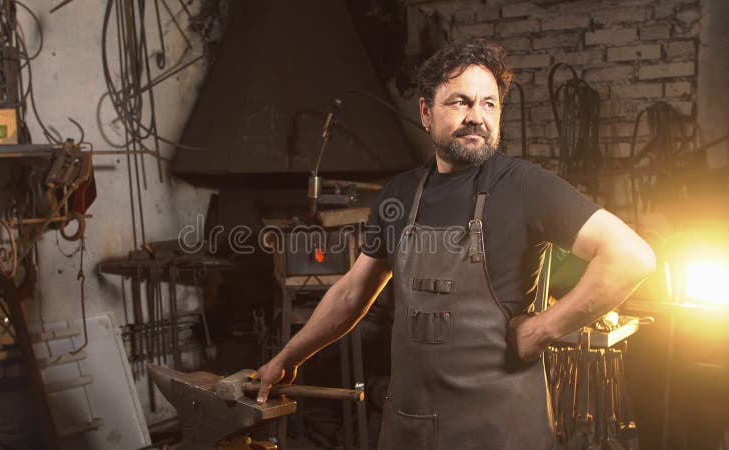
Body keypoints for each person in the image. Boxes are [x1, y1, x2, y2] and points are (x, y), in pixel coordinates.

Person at [254, 40, 656, 449]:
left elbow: (631, 256)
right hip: (410, 432)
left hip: (501, 434)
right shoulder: (399, 194)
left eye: (488, 104)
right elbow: (351, 294)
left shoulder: (524, 187)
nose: (476, 117)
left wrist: (544, 328)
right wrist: (287, 358)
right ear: (426, 113)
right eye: (460, 102)